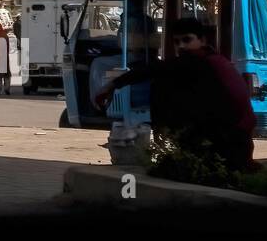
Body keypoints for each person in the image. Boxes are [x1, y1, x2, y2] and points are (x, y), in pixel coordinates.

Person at [94, 17, 256, 172]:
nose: (181, 46)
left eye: (187, 40)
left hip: (229, 141)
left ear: (202, 40)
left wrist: (111, 85)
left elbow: (155, 70)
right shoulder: (214, 60)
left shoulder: (202, 63)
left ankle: (174, 141)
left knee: (162, 83)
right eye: (177, 42)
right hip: (235, 140)